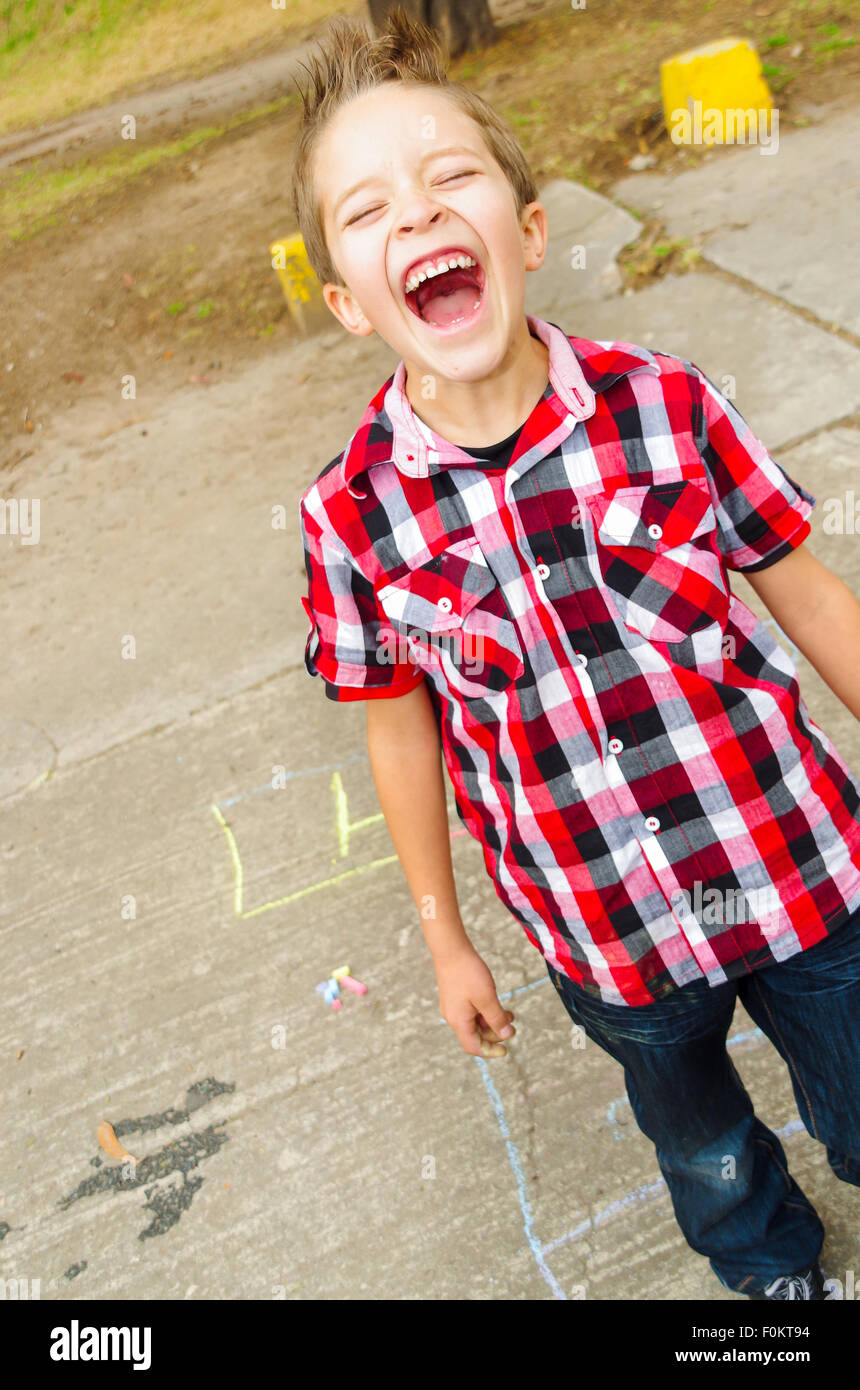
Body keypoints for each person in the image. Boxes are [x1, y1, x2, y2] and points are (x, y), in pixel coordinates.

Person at [294, 8, 860, 1300]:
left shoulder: (670, 401)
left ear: (528, 231)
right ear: (343, 300)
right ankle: (773, 1270)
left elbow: (811, 595)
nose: (421, 217)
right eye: (371, 210)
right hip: (604, 928)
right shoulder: (352, 516)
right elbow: (398, 725)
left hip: (797, 865)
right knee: (701, 1141)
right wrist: (444, 938)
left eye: (452, 179)